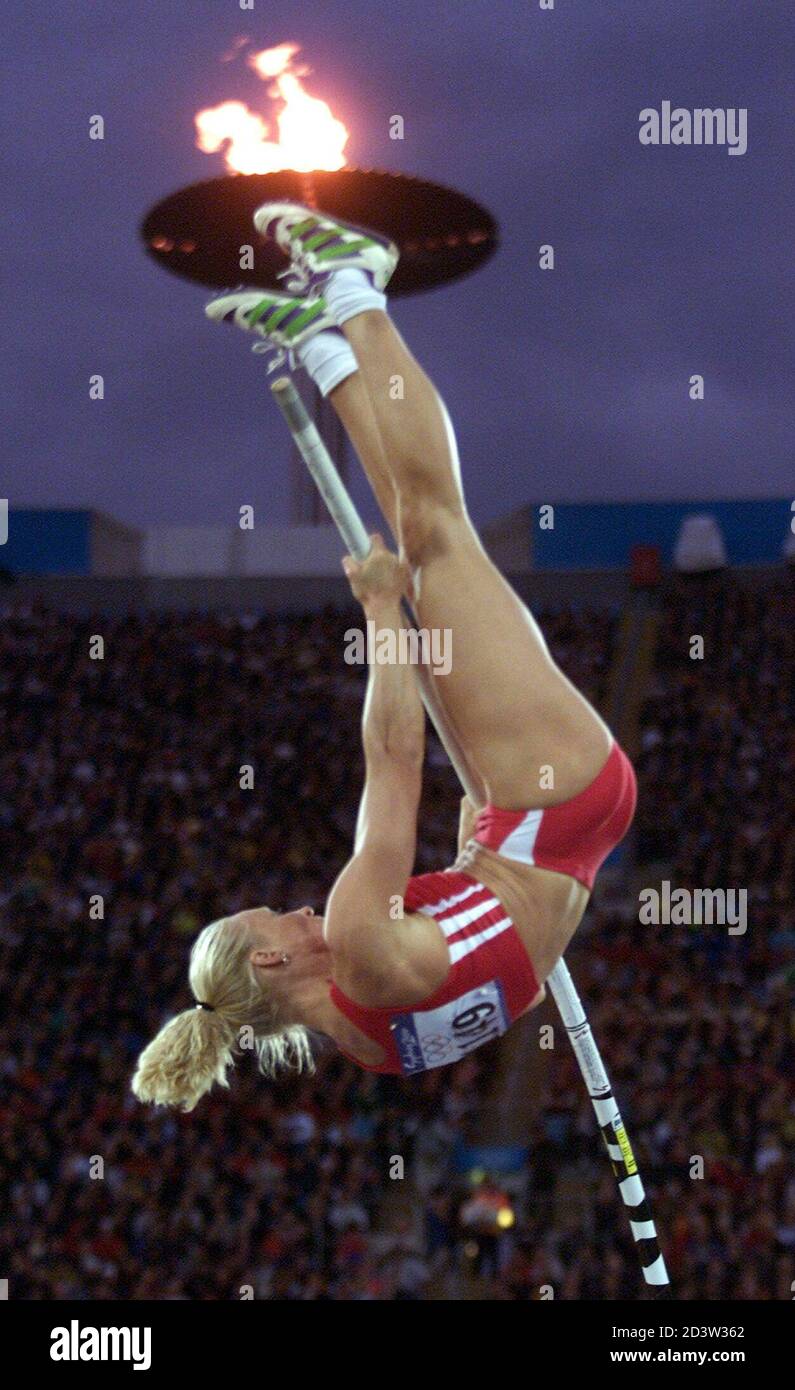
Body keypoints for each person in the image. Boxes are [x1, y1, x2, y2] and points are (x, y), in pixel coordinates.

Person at [132, 204, 636, 1110]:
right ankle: (359, 280)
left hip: (526, 831)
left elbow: (487, 965)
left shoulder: (370, 1046)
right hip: (546, 803)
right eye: (274, 919)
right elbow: (395, 760)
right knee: (437, 536)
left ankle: (324, 348)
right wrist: (377, 611)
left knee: (420, 530)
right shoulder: (355, 939)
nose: (293, 909)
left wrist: (499, 886)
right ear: (275, 958)